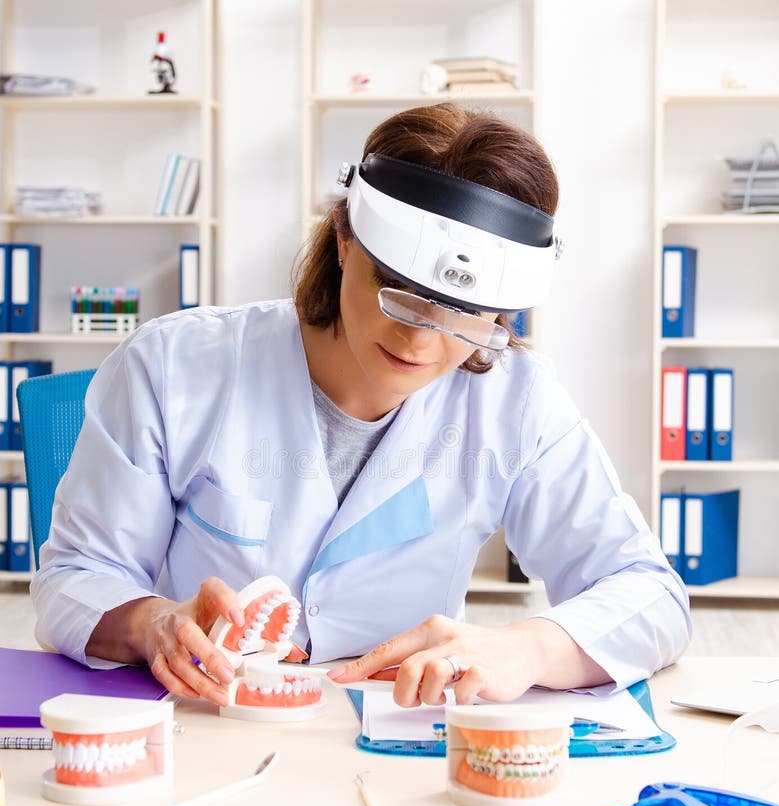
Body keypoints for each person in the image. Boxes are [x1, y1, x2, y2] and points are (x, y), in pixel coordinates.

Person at [31, 103, 691, 709]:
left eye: (463, 314)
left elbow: (651, 594)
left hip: (396, 734)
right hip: (211, 723)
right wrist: (151, 623)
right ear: (344, 237)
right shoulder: (177, 365)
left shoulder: (516, 401)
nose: (420, 338)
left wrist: (528, 648)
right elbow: (76, 577)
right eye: (397, 292)